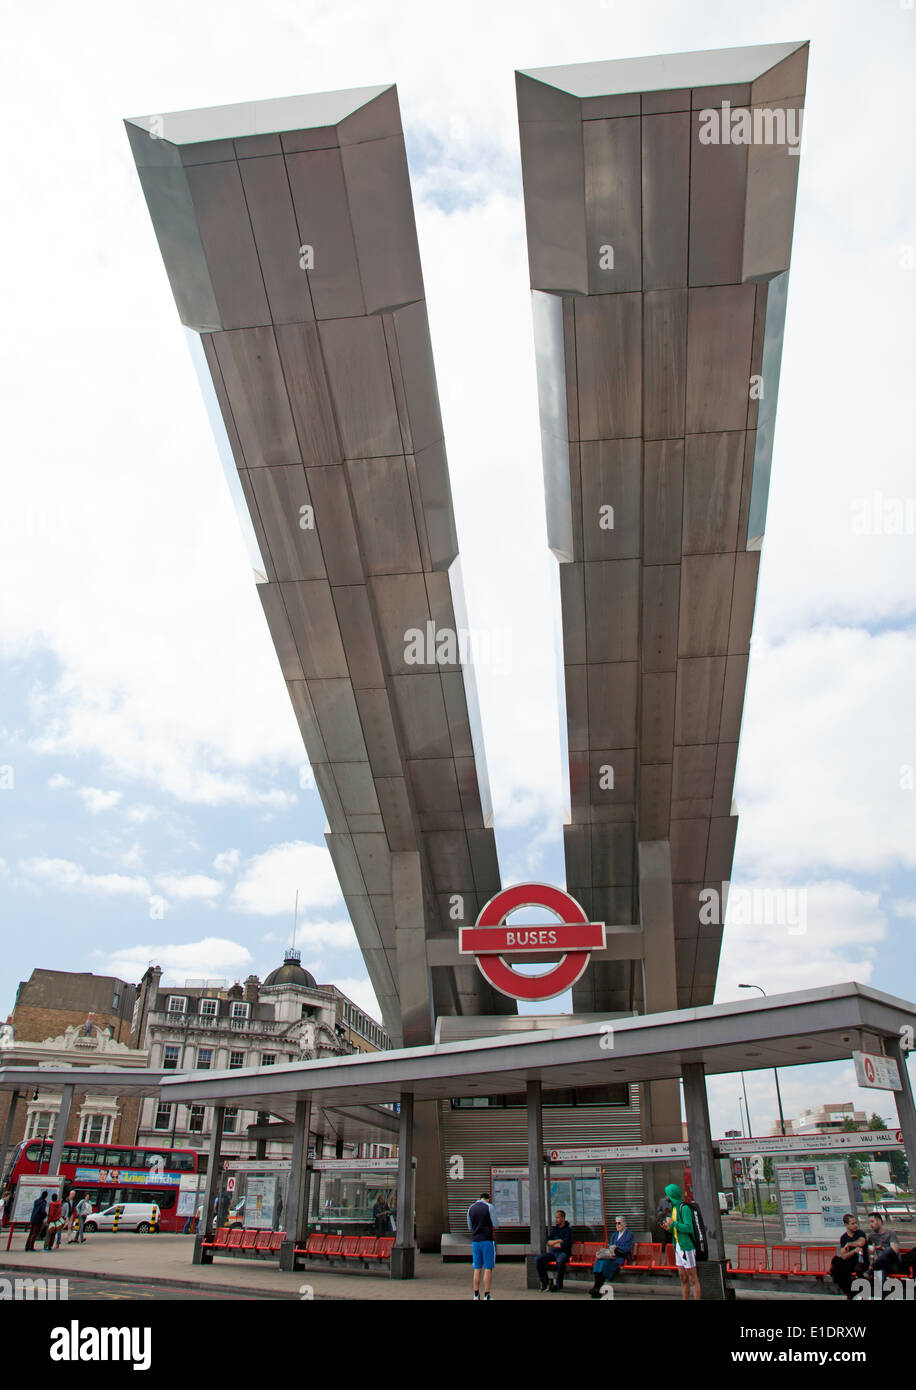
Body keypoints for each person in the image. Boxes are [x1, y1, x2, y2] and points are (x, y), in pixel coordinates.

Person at [664, 1183, 701, 1300]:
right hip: (678, 1246)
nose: (666, 1197)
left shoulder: (683, 1208)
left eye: (667, 1194)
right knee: (682, 1276)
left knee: (693, 1277)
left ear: (672, 1195)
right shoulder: (674, 1209)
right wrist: (669, 1228)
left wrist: (674, 1223)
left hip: (686, 1246)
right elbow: (677, 1230)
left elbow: (688, 1228)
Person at [589, 1216, 635, 1297]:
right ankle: (596, 1287)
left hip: (621, 1257)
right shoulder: (614, 1234)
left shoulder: (629, 1234)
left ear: (624, 1224)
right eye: (616, 1223)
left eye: (619, 1223)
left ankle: (597, 1288)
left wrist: (616, 1248)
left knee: (604, 1264)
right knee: (598, 1262)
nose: (617, 1225)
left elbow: (627, 1249)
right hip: (611, 1256)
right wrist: (612, 1249)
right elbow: (610, 1246)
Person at [467, 1191, 499, 1301]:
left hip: (475, 1241)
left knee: (477, 1267)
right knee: (488, 1268)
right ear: (488, 1199)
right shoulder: (490, 1207)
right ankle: (487, 1295)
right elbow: (495, 1224)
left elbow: (469, 1226)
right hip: (487, 1240)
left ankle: (476, 1295)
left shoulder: (470, 1208)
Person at [534, 1209, 575, 1292]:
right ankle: (545, 1282)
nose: (556, 1220)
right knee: (538, 1259)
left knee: (560, 1261)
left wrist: (554, 1243)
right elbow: (548, 1242)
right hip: (553, 1253)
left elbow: (564, 1245)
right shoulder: (554, 1229)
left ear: (563, 1218)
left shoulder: (568, 1230)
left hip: (564, 1253)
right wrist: (558, 1240)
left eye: (558, 1218)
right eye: (555, 1218)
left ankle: (558, 1284)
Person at [830, 1213, 868, 1299]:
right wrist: (854, 1251)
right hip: (849, 1262)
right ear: (846, 1225)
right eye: (853, 1223)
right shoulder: (843, 1237)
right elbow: (844, 1256)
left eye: (856, 1223)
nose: (855, 1225)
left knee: (858, 1269)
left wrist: (850, 1244)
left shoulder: (860, 1233)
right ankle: (849, 1291)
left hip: (861, 1261)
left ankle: (855, 1292)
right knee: (835, 1265)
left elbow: (862, 1242)